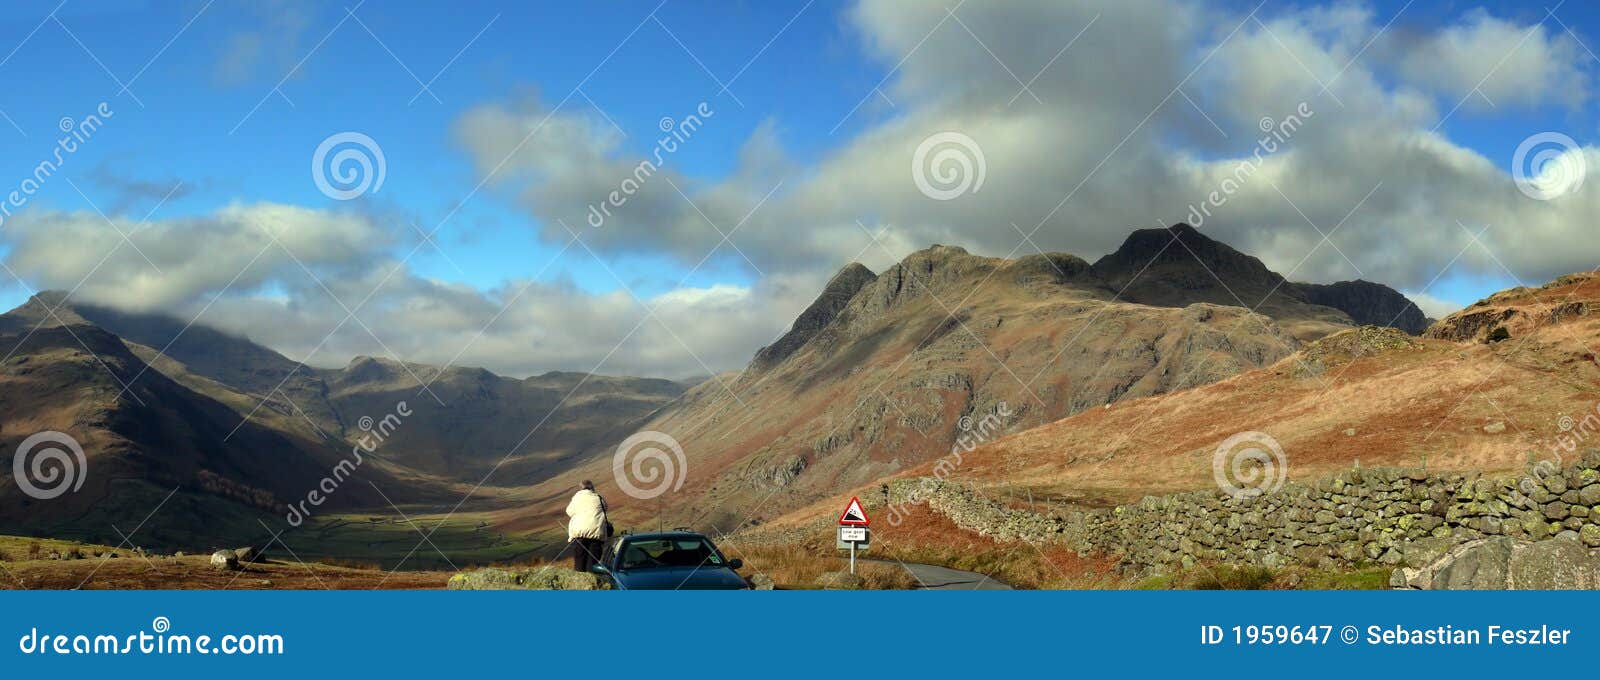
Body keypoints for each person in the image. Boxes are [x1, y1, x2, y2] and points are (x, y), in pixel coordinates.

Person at [565, 480, 609, 572]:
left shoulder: (576, 498)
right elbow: (605, 508)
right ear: (592, 487)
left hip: (579, 535)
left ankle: (581, 583)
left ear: (580, 488)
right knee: (593, 564)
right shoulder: (599, 498)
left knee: (579, 563)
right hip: (596, 535)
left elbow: (569, 512)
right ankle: (593, 582)